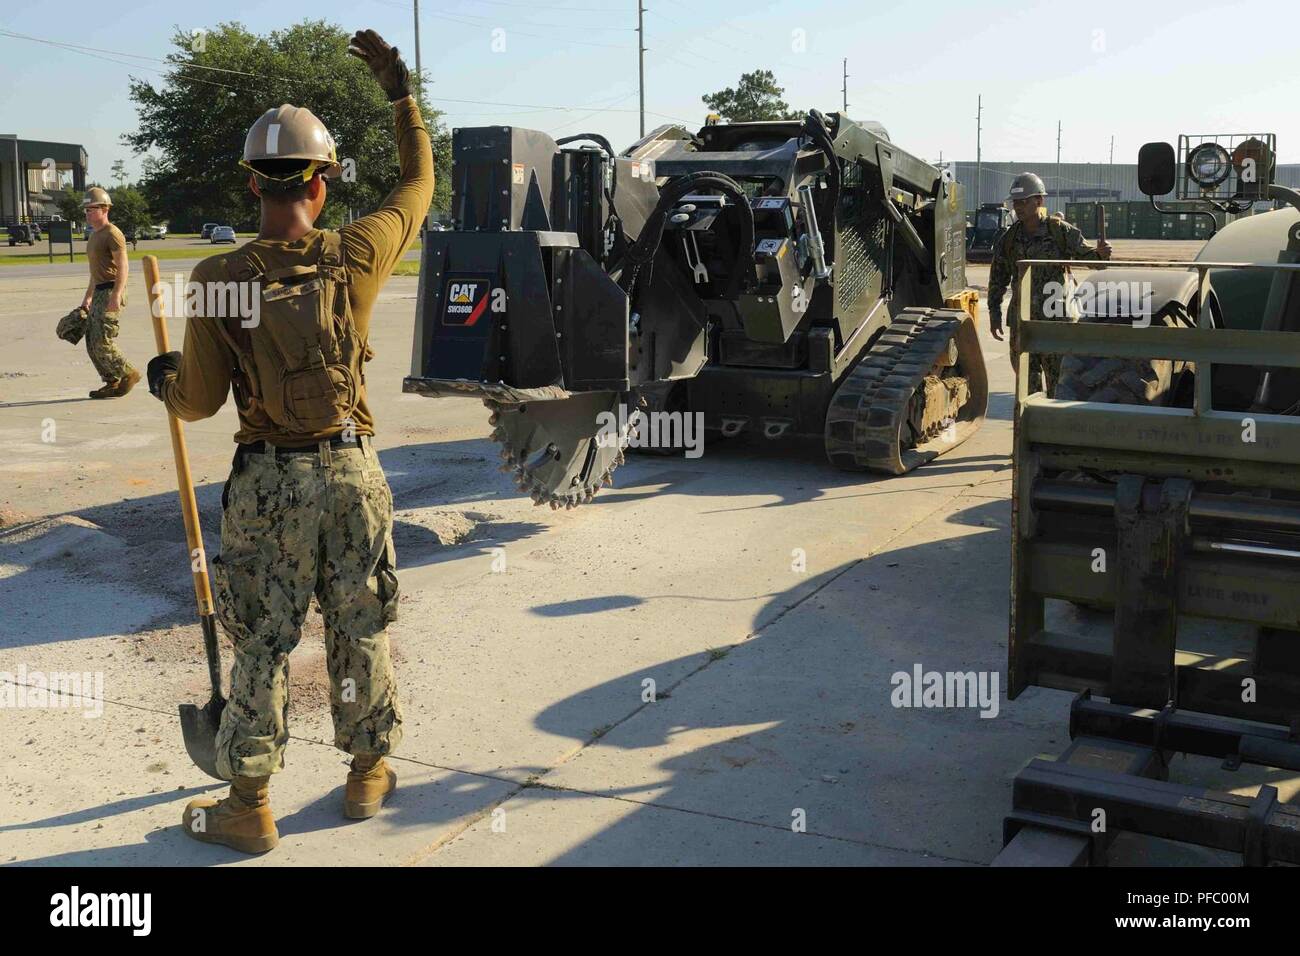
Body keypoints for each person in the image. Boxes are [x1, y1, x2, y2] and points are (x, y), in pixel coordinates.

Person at [146, 28, 433, 854]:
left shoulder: (216, 281)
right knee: (360, 624)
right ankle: (367, 772)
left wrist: (166, 372)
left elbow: (195, 405)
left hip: (267, 484)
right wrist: (399, 96)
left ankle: (248, 802)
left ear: (251, 182)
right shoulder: (359, 252)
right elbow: (419, 180)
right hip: (352, 469)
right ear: (324, 178)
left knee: (266, 640)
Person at [987, 173, 1111, 395]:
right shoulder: (1009, 239)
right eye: (1016, 203)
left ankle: (1056, 427)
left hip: (1055, 324)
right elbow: (998, 279)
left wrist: (1101, 254)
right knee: (1027, 388)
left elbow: (1092, 260)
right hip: (1023, 325)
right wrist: (994, 313)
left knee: (1060, 387)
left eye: (1024, 202)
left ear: (1039, 201)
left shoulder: (1059, 231)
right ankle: (1030, 427)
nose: (1019, 208)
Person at [80, 187, 139, 398]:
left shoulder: (113, 233)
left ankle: (128, 373)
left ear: (105, 209)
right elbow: (95, 273)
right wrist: (87, 297)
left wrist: (116, 295)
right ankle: (111, 381)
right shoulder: (94, 235)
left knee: (102, 340)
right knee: (91, 341)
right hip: (99, 292)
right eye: (86, 210)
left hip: (111, 291)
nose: (88, 213)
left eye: (92, 209)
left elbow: (123, 267)